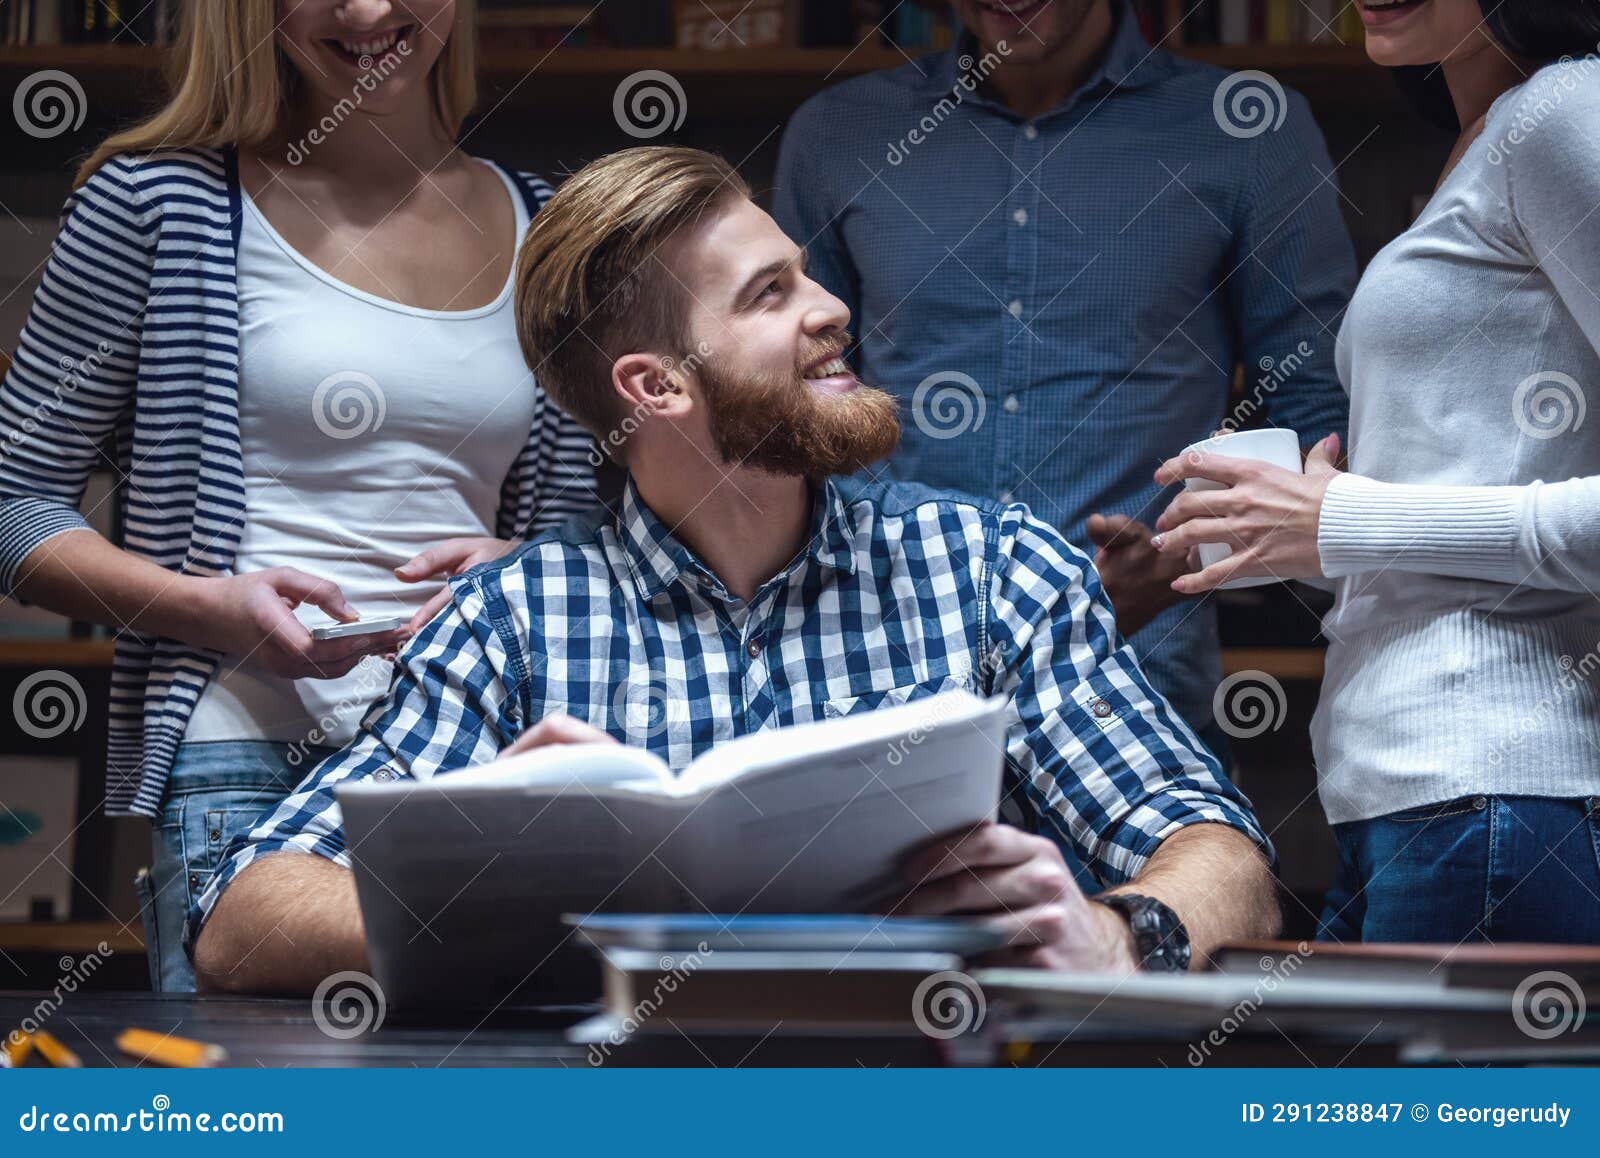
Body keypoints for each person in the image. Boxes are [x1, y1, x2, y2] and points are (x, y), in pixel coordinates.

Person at [189, 146, 1282, 995]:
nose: (831, 309)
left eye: (803, 273)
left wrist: (1113, 934)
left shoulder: (998, 573)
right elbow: (245, 914)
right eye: (769, 295)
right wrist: (563, 911)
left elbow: (1224, 861)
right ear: (656, 388)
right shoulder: (506, 623)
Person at [0, 0, 596, 992]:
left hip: (470, 745)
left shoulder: (551, 225)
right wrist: (204, 606)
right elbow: (14, 500)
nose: (368, 10)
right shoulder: (156, 205)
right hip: (241, 752)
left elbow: (598, 545)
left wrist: (526, 573)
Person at [773, 0, 1356, 766]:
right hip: (889, 666)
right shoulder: (838, 134)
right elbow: (794, 404)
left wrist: (1195, 558)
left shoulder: (1246, 128)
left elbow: (1312, 405)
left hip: (1136, 668)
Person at [1151, 0, 1600, 943]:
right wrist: (1296, 536)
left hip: (1498, 784)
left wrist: (1347, 520)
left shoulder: (1561, 112)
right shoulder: (1484, 135)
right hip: (1406, 792)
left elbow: (1391, 521)